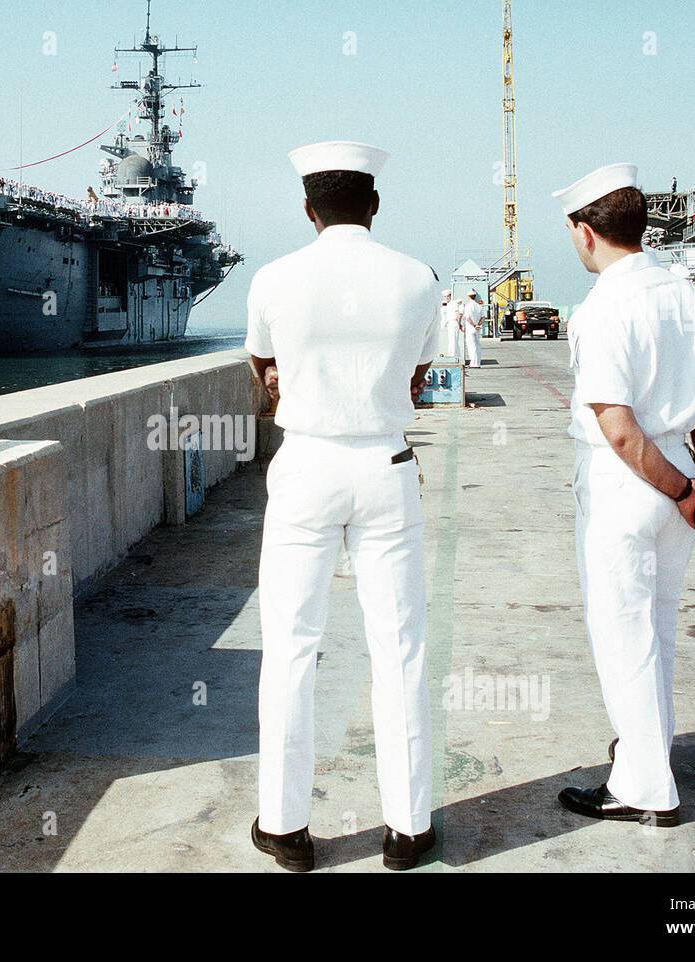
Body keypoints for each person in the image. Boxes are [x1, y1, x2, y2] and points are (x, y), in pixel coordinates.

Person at [245, 140, 441, 872]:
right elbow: (419, 371)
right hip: (385, 465)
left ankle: (286, 828)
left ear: (308, 210)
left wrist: (293, 386)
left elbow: (265, 369)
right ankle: (409, 829)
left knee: (292, 648)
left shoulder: (274, 278)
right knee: (399, 648)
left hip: (307, 466)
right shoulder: (417, 278)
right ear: (375, 205)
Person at [551, 162, 695, 826]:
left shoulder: (602, 308)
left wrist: (687, 488)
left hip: (626, 485)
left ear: (585, 232)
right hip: (678, 476)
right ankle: (640, 761)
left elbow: (619, 430)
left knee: (623, 636)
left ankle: (646, 791)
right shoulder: (688, 295)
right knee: (655, 629)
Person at [463, 291, 485, 367]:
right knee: (478, 345)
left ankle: (473, 363)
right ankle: (478, 363)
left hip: (470, 328)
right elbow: (483, 317)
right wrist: (478, 325)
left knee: (471, 346)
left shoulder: (468, 306)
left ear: (468, 297)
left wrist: (474, 325)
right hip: (477, 329)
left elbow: (468, 318)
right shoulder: (479, 306)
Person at [439, 289, 457, 358]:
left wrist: (459, 324)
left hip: (453, 322)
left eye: (447, 296)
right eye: (445, 297)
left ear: (450, 296)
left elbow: (457, 313)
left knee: (453, 341)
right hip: (449, 323)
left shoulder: (453, 303)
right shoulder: (448, 304)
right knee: (451, 341)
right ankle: (453, 355)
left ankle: (453, 356)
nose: (446, 298)